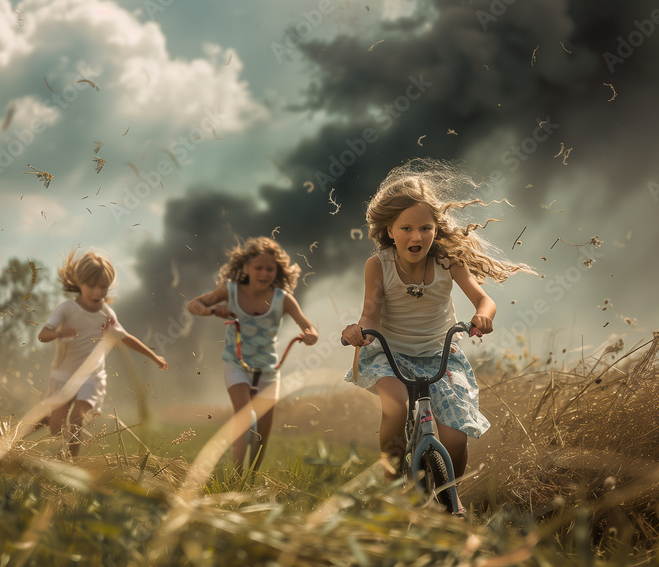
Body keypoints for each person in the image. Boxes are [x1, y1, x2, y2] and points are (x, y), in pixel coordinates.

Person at [340, 159, 535, 494]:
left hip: (439, 355)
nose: (417, 236)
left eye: (425, 228)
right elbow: (370, 316)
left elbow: (483, 300)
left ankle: (448, 497)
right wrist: (357, 330)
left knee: (456, 439)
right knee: (396, 405)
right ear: (389, 231)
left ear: (436, 229)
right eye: (406, 229)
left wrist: (483, 316)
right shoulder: (378, 265)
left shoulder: (449, 262)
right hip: (390, 355)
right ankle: (393, 481)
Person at [188, 236, 318, 473]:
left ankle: (251, 478)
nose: (264, 273)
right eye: (258, 267)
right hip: (236, 364)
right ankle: (236, 478)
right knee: (245, 419)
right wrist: (214, 310)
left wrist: (309, 335)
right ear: (246, 268)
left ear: (277, 271)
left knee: (262, 433)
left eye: (270, 269)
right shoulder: (231, 291)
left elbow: (309, 327)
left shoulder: (283, 299)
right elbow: (194, 305)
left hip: (268, 371)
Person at [39, 250, 168, 458]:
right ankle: (46, 426)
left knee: (77, 420)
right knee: (56, 430)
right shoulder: (66, 309)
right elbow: (42, 335)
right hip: (63, 377)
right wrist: (59, 332)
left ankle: (71, 464)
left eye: (103, 287)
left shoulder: (106, 314)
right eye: (92, 286)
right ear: (79, 282)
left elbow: (124, 337)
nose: (98, 292)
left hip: (92, 378)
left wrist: (154, 357)